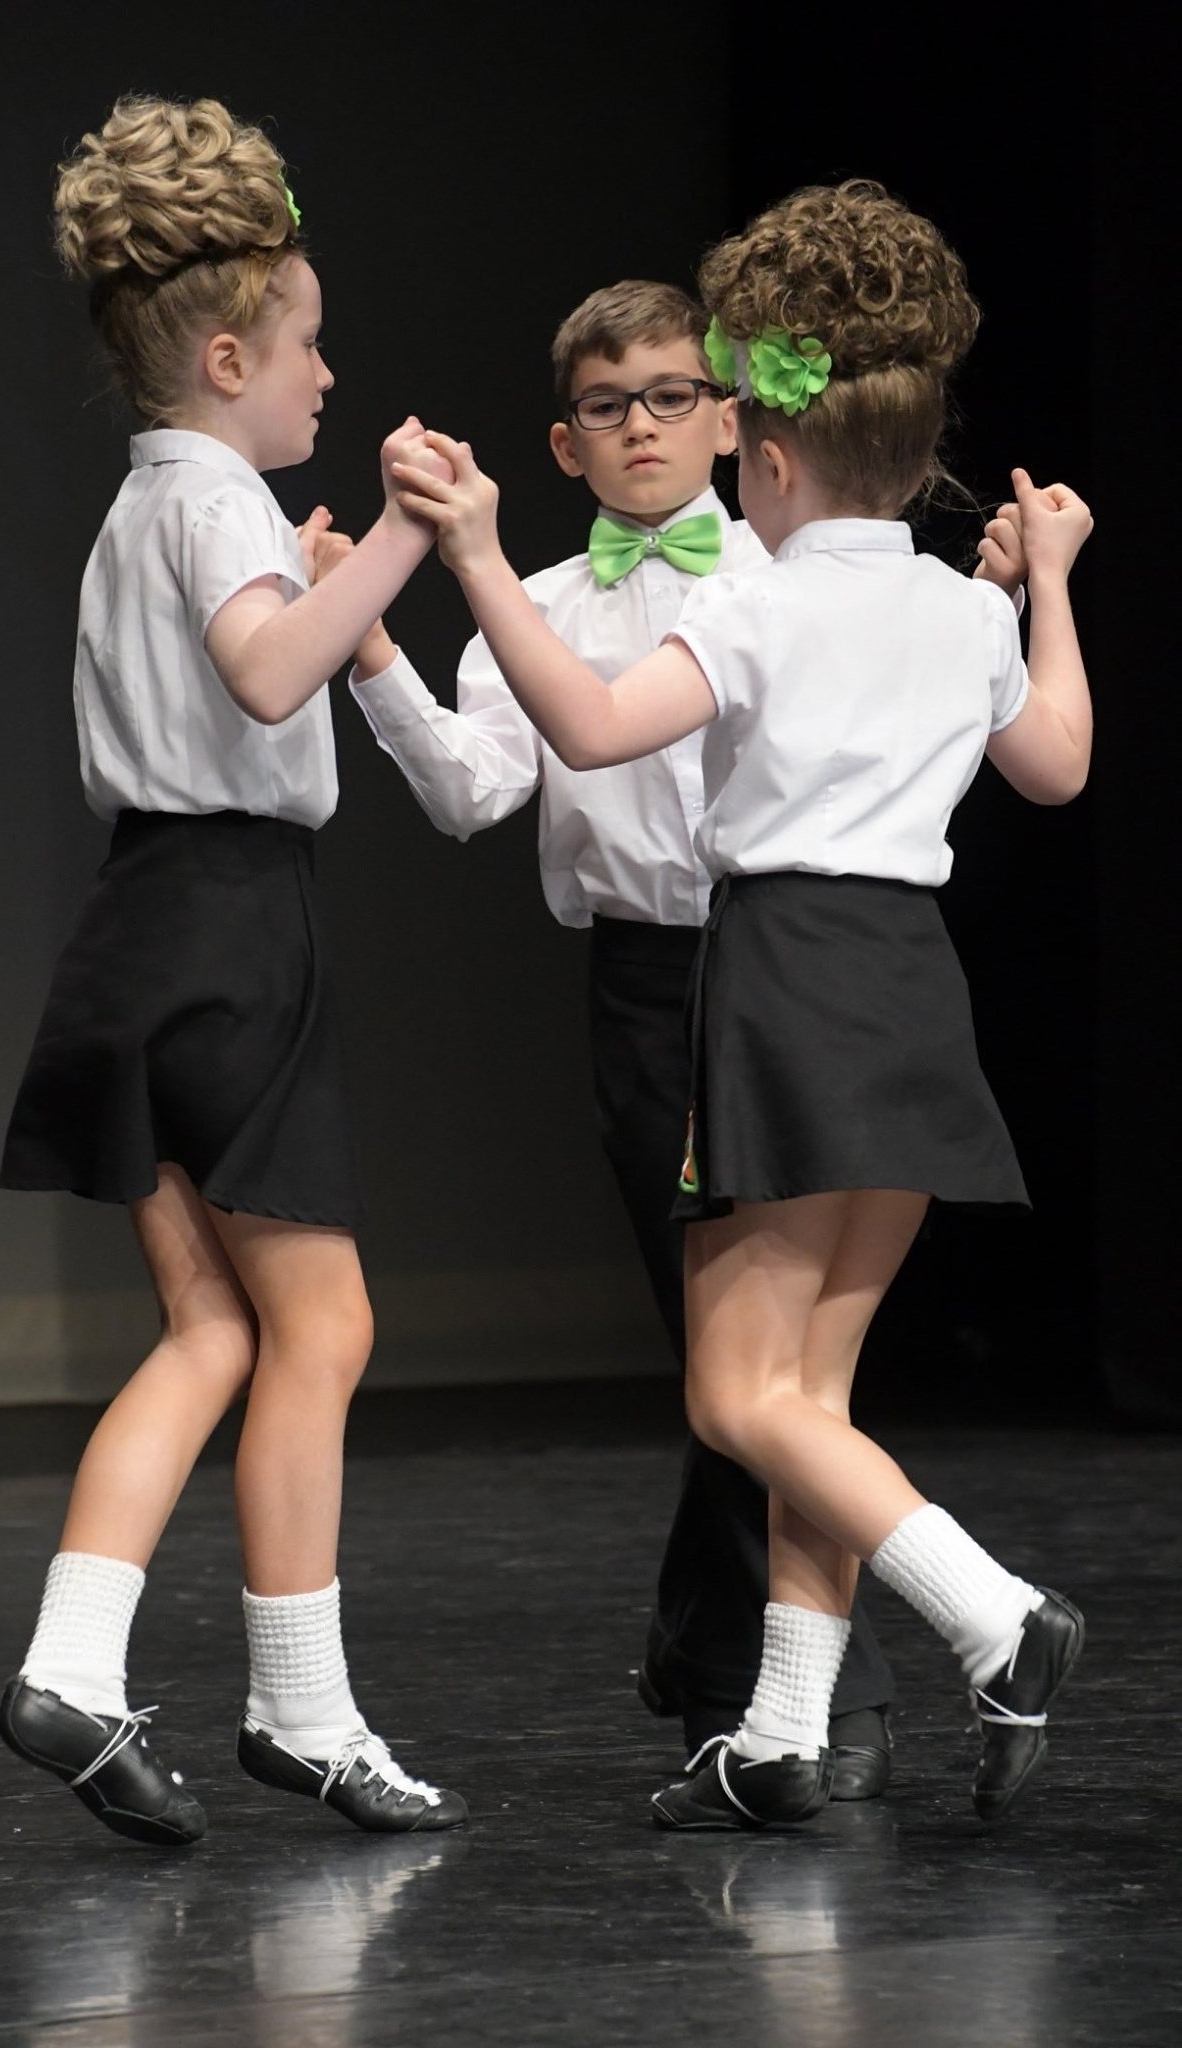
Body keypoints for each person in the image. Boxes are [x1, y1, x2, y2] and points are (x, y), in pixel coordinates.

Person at [392, 179, 1091, 1829]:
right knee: (808, 1400)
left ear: (762, 456)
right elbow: (1055, 767)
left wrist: (483, 553)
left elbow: (585, 720)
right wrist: (1042, 579)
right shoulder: (959, 602)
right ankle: (779, 1736)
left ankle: (994, 1616)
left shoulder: (756, 599)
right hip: (912, 994)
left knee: (736, 1394)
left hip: (772, 985)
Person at [351, 279, 917, 1796]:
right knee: (717, 1352)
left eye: (674, 395)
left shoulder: (782, 583)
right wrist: (372, 658)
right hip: (636, 990)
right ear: (565, 441)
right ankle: (717, 1646)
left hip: (775, 968)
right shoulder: (529, 606)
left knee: (764, 1367)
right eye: (610, 406)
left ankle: (810, 1691)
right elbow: (474, 791)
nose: (644, 426)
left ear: (734, 421)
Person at [0, 94, 465, 1845]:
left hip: (145, 923)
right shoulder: (220, 503)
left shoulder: (153, 505)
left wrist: (331, 585)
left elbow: (256, 654)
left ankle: (74, 1662)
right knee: (321, 1322)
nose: (327, 379)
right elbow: (271, 680)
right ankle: (304, 1705)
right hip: (227, 927)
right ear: (221, 354)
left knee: (211, 1324)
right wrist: (405, 544)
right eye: (309, 348)